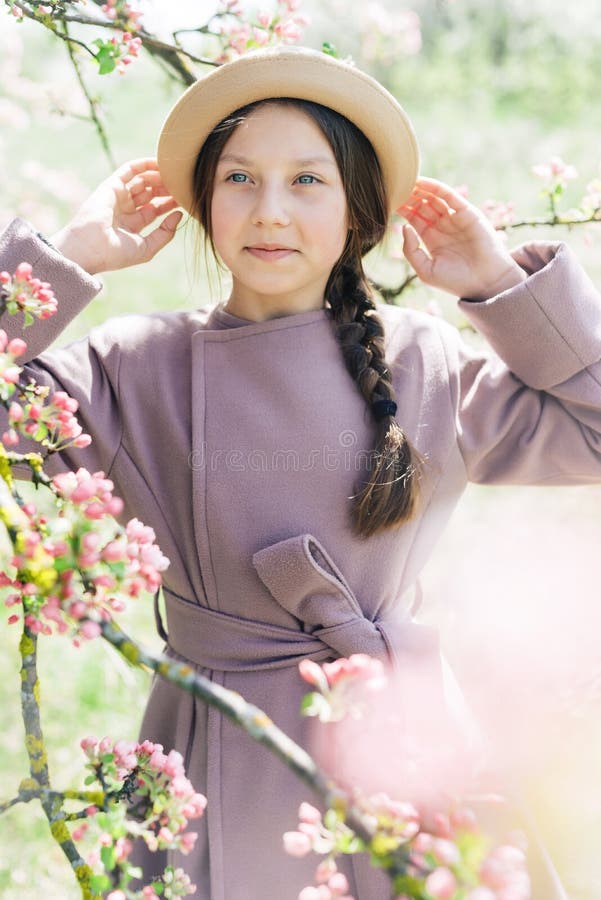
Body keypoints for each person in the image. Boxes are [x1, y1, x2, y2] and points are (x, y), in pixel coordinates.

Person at [1, 44, 598, 899]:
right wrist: (69, 258)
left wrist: (500, 285)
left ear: (358, 212)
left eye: (307, 181)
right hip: (214, 747)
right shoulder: (135, 368)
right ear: (203, 205)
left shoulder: (423, 360)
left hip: (401, 745)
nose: (269, 211)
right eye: (238, 179)